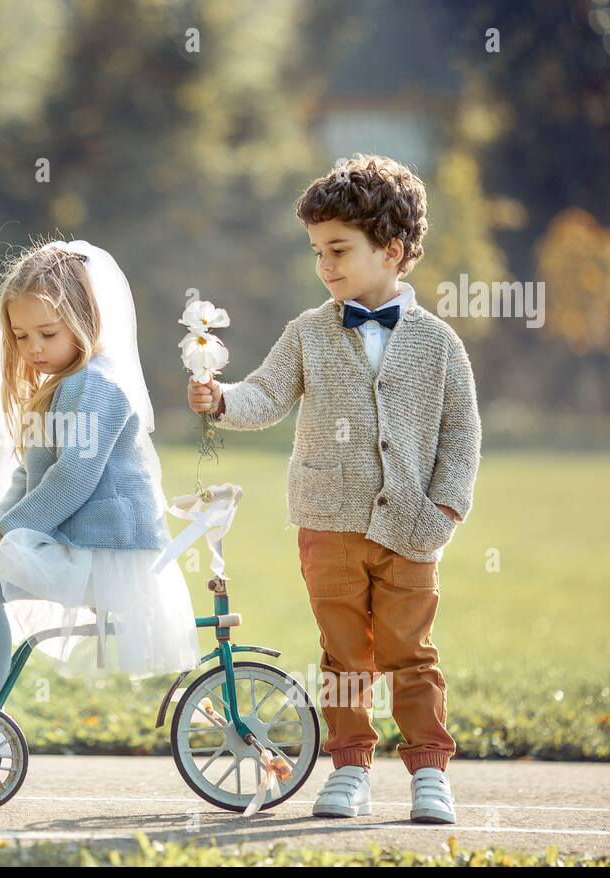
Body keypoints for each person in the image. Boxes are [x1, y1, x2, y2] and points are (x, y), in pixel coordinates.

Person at [187, 154, 482, 825]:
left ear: (394, 249)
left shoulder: (439, 346)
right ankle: (350, 767)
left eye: (339, 250)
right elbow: (265, 393)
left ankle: (428, 772)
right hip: (328, 523)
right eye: (317, 251)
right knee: (344, 654)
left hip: (413, 526)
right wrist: (221, 399)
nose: (325, 266)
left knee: (412, 653)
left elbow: (462, 433)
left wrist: (446, 508)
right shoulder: (308, 333)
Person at [0, 238, 200, 744]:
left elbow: (74, 478)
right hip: (75, 541)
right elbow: (29, 477)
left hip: (111, 547)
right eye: (20, 337)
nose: (33, 348)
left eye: (47, 333)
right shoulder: (56, 389)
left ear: (84, 323)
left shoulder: (97, 387)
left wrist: (12, 534)